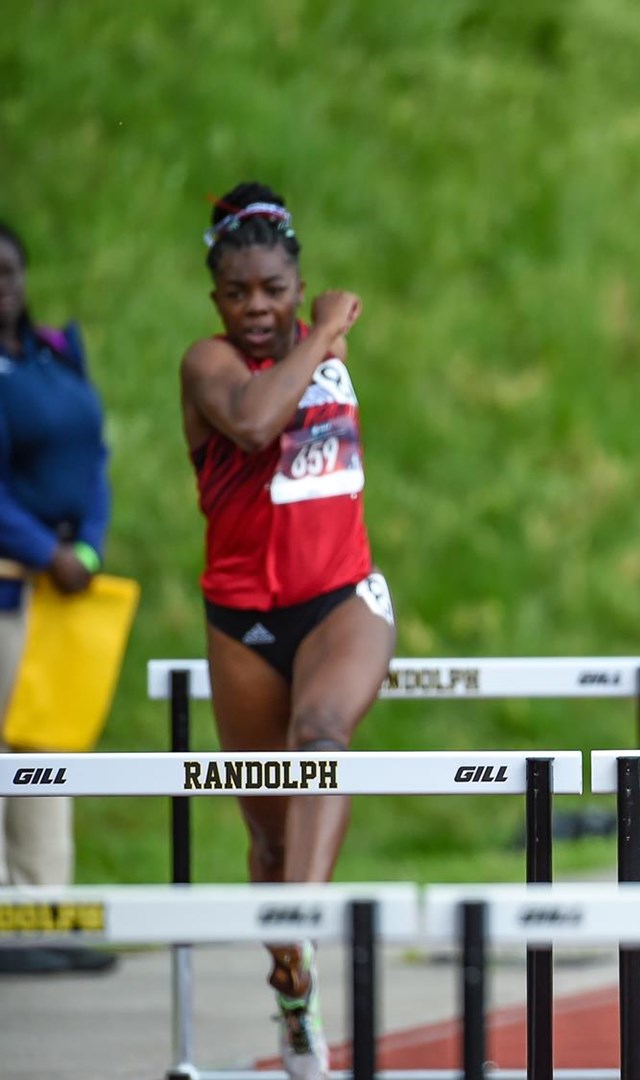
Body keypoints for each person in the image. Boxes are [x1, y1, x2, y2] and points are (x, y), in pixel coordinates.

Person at [180, 184, 395, 1079]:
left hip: (341, 598)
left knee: (321, 738)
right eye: (239, 294)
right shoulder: (209, 364)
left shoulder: (321, 352)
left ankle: (295, 931)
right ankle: (292, 985)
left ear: (294, 277)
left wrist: (325, 340)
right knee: (266, 838)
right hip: (241, 619)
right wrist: (325, 330)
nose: (259, 309)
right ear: (217, 301)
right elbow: (259, 420)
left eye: (274, 288)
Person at [0, 220, 117, 975]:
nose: (1, 284)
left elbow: (94, 459)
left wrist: (87, 549)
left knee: (51, 748)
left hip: (64, 588)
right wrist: (44, 550)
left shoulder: (51, 352)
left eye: (8, 269)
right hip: (9, 584)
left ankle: (48, 912)